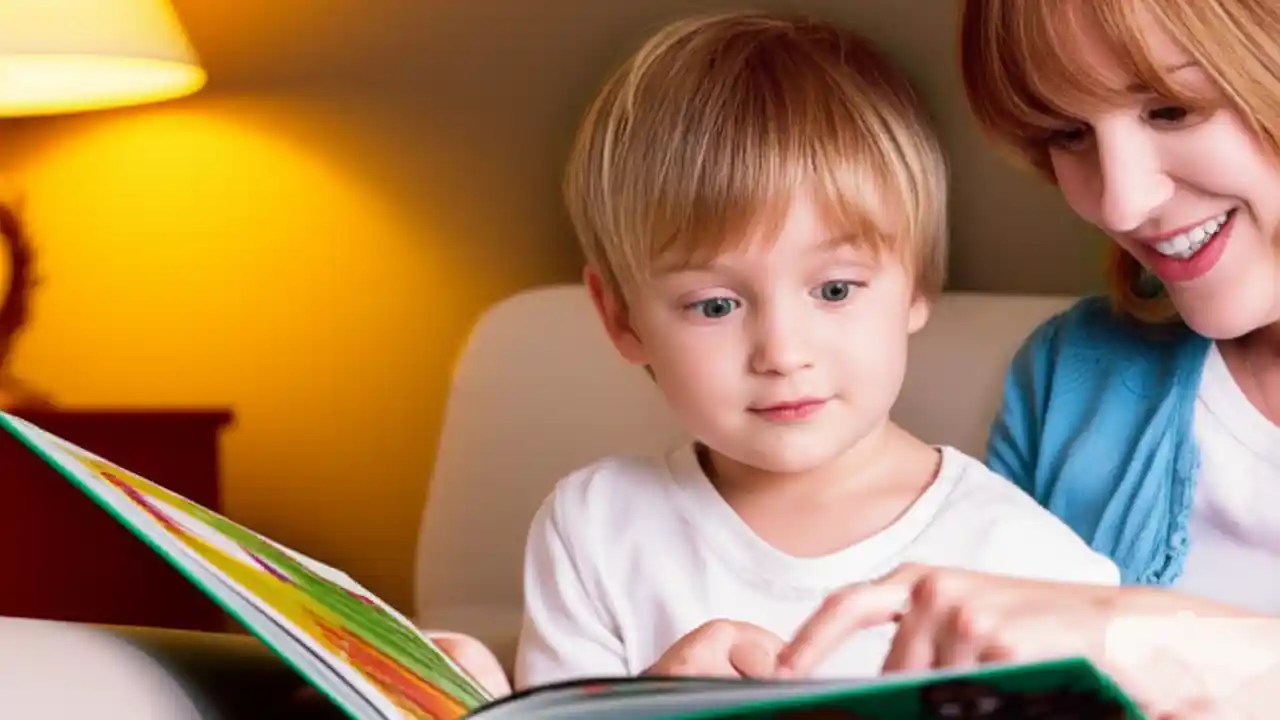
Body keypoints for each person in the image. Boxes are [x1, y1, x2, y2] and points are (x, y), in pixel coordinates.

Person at [511, 9, 1119, 693]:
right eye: (716, 305)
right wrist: (651, 699)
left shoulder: (1024, 566)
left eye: (833, 290)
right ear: (620, 317)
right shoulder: (594, 529)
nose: (782, 351)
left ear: (917, 283)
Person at [775, 0, 1280, 714]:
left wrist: (1143, 637)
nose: (1123, 202)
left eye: (1172, 108)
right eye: (1068, 133)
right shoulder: (1070, 382)